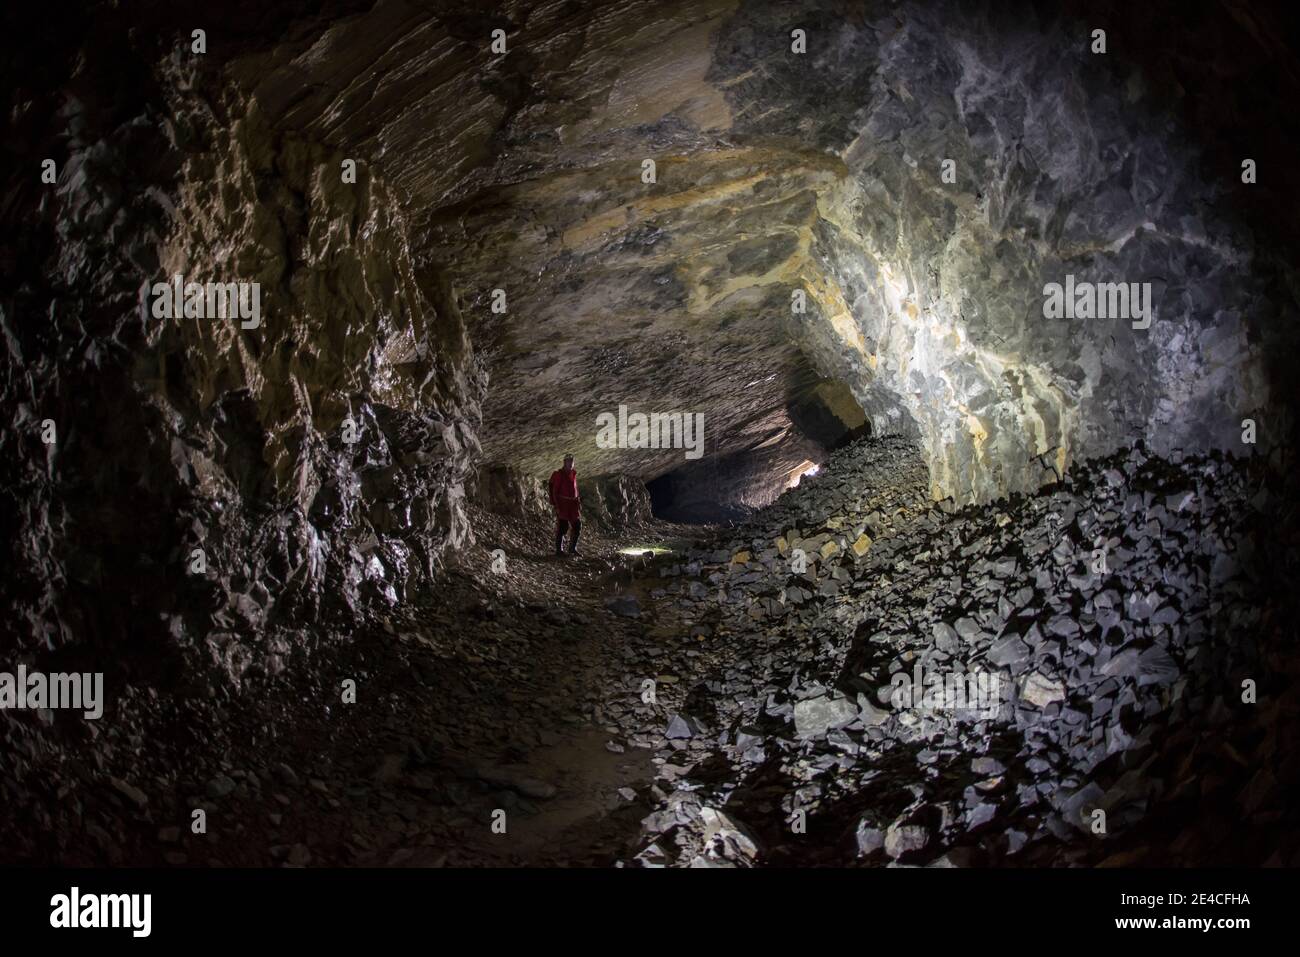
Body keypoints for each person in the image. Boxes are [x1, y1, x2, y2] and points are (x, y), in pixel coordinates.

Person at [548, 454, 581, 556]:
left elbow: (575, 489)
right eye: (568, 461)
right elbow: (555, 491)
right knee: (563, 527)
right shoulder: (559, 475)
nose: (570, 463)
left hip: (573, 505)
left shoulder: (573, 474)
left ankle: (572, 548)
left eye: (571, 461)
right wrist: (556, 506)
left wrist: (578, 502)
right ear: (564, 463)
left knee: (577, 526)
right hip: (563, 504)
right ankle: (559, 550)